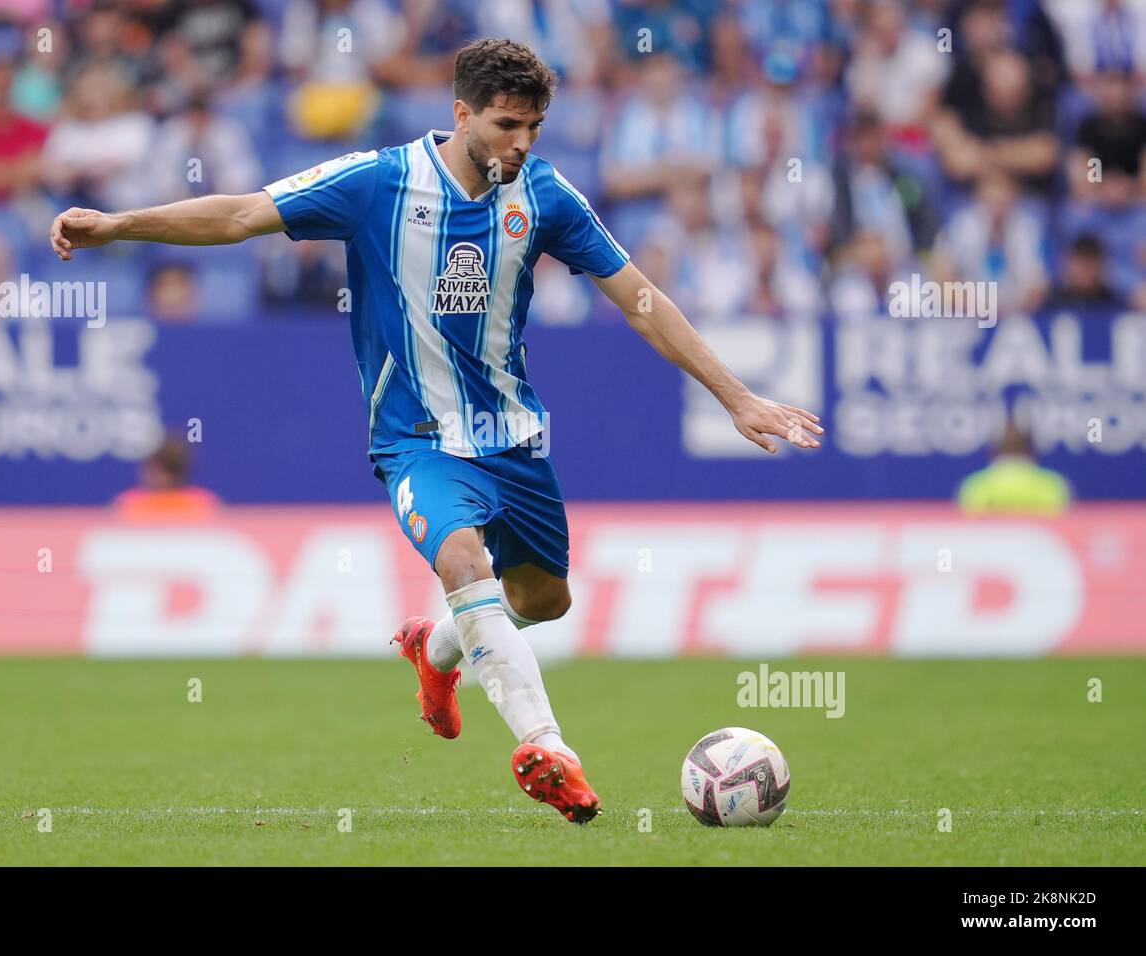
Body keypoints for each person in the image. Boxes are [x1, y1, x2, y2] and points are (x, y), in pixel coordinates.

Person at [49, 38, 824, 825]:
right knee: (462, 557)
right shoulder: (378, 182)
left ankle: (439, 648)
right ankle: (548, 748)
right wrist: (120, 223)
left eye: (536, 126)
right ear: (462, 114)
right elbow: (242, 213)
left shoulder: (546, 197)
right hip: (416, 436)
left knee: (543, 598)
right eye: (506, 124)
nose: (522, 142)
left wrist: (736, 397)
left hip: (513, 439)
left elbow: (640, 299)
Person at [958, 421, 1071, 516]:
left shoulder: (976, 485)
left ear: (993, 451)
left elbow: (970, 529)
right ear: (1033, 451)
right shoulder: (1051, 485)